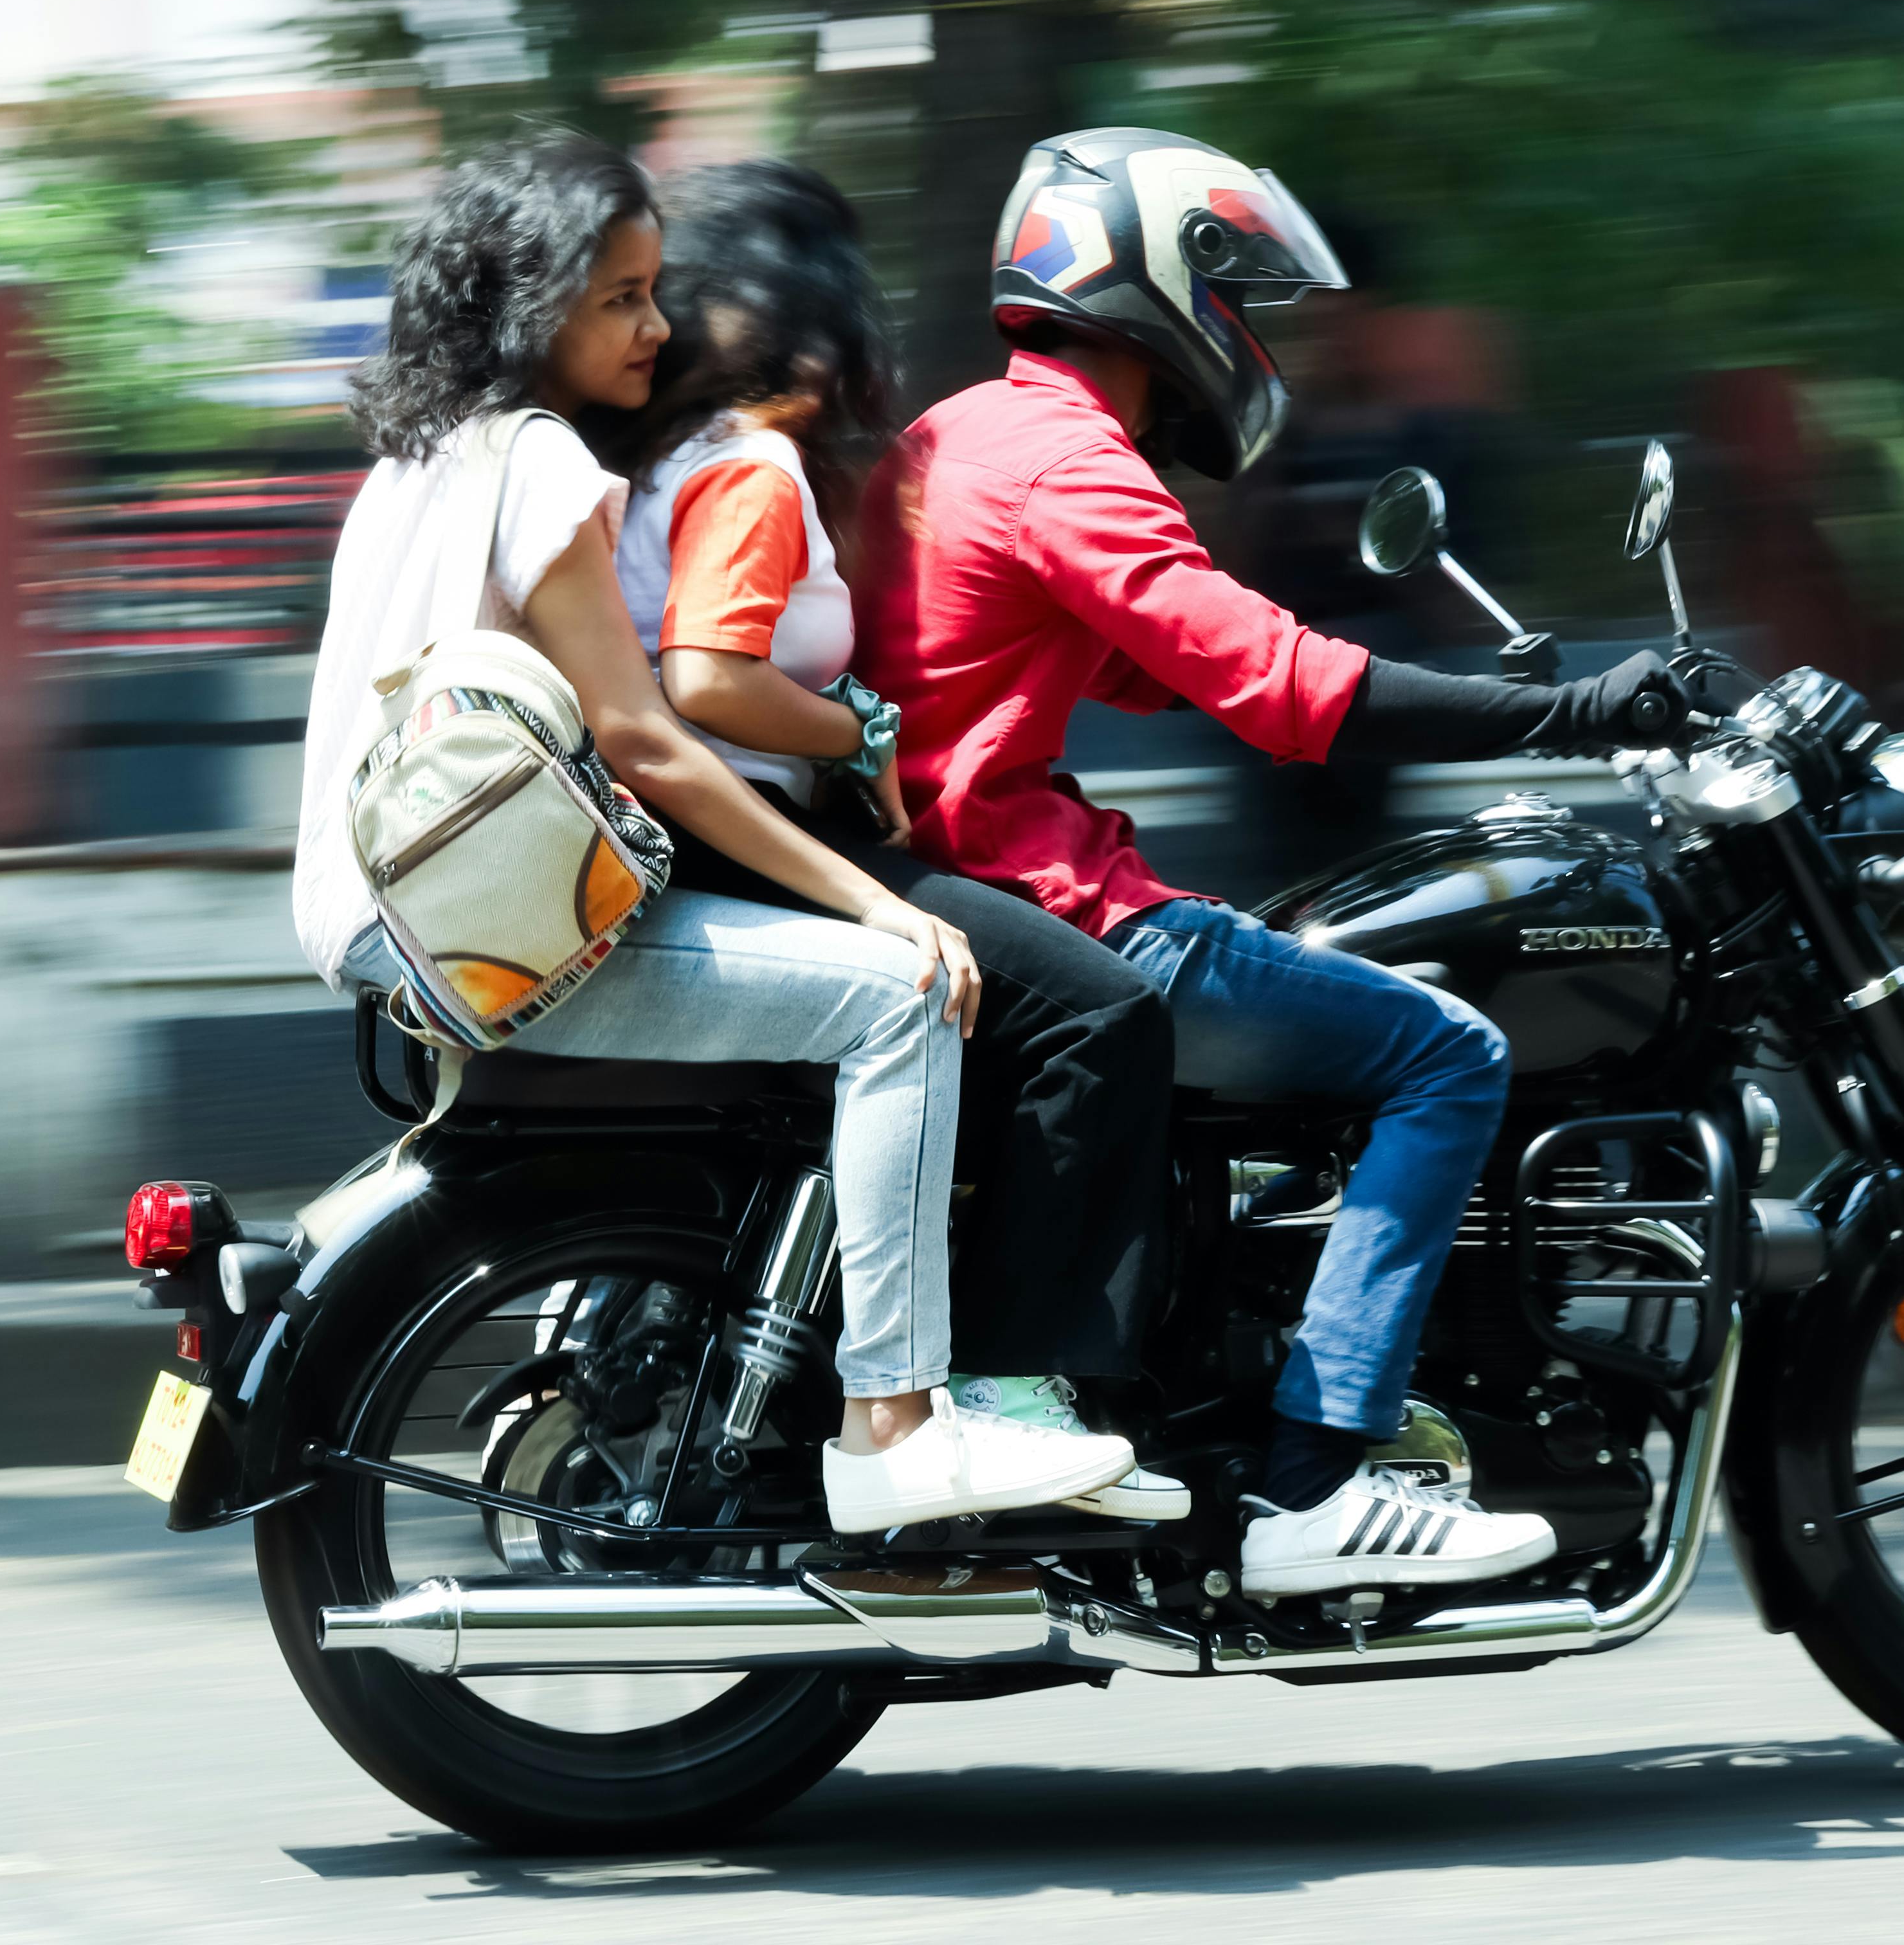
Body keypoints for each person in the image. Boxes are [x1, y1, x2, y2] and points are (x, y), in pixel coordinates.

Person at [855, 124, 1676, 1597]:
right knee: (1448, 1053)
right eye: (1235, 300)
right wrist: (1571, 706)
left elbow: (1165, 661)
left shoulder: (963, 430)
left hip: (954, 878)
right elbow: (1289, 697)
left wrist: (1299, 642)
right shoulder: (1068, 457)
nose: (1243, 340)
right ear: (1159, 287)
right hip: (1046, 891)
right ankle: (1315, 1482)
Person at [291, 131, 1131, 1535]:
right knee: (907, 994)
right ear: (533, 299)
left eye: (654, 290)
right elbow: (649, 735)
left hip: (390, 908)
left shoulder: (419, 459)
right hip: (485, 917)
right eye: (621, 296)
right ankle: (896, 1421)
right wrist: (877, 904)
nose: (660, 327)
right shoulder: (544, 466)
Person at [588, 158, 1185, 1522]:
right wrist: (856, 728)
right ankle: (1017, 1390)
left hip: (693, 838)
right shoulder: (748, 470)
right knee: (1104, 1013)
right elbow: (710, 681)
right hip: (742, 837)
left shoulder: (661, 467)